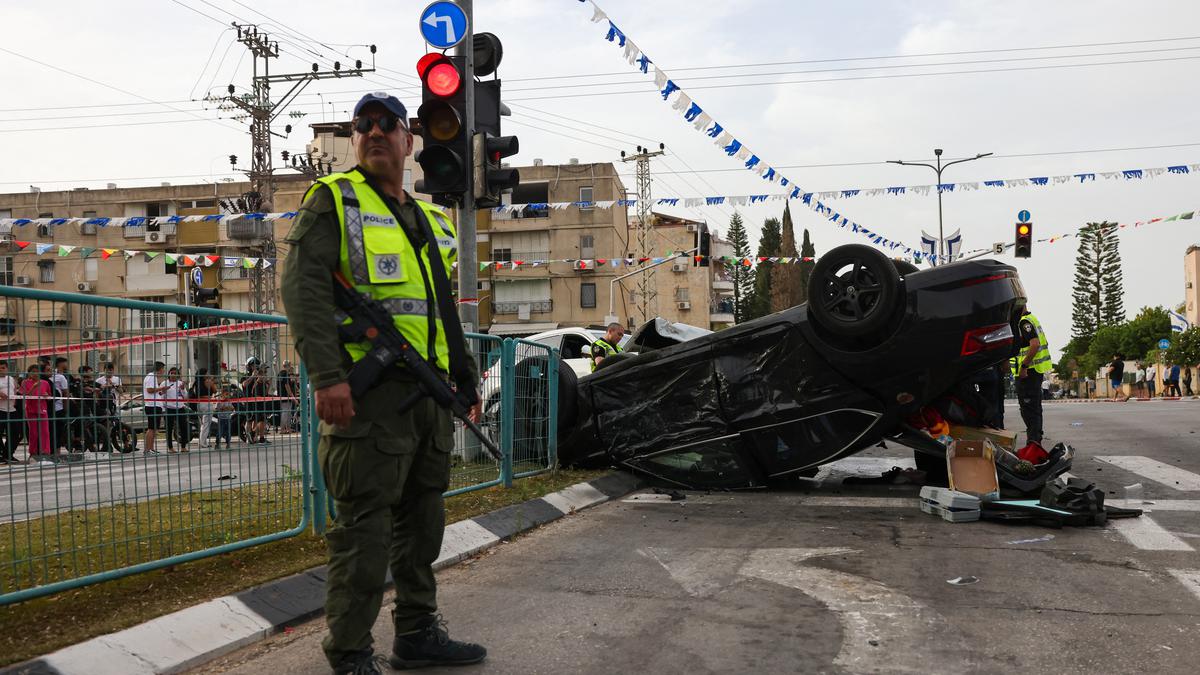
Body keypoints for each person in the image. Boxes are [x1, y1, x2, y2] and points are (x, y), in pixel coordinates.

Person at [281, 92, 487, 673]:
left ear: (409, 141)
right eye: (362, 125)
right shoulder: (333, 200)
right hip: (367, 399)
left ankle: (417, 635)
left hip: (427, 397)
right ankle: (349, 654)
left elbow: (442, 309)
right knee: (363, 534)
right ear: (353, 140)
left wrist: (465, 381)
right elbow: (304, 290)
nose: (374, 133)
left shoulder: (426, 218)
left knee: (423, 527)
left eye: (386, 125)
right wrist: (327, 377)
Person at [1011, 309, 1052, 454]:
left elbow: (1034, 344)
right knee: (1033, 409)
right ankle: (1034, 444)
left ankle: (1034, 445)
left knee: (1029, 410)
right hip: (1034, 372)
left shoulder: (1024, 322)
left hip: (1029, 373)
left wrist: (1024, 367)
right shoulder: (1032, 318)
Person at [21, 364, 52, 464]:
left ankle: (45, 452)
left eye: (37, 371)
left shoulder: (45, 383)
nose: (35, 373)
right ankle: (33, 452)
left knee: (45, 432)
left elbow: (49, 396)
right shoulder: (25, 382)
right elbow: (24, 396)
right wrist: (33, 388)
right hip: (30, 410)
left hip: (42, 409)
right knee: (33, 432)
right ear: (29, 373)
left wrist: (47, 396)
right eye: (32, 371)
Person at [240, 358, 269, 444]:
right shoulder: (245, 376)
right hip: (249, 401)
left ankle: (254, 436)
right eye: (253, 366)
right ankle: (248, 437)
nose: (255, 367)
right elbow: (244, 384)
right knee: (249, 419)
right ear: (249, 366)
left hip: (257, 402)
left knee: (256, 419)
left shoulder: (258, 376)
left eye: (256, 366)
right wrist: (252, 376)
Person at [142, 362, 168, 453]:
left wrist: (162, 391)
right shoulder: (151, 377)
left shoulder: (153, 377)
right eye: (163, 369)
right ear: (160, 369)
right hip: (152, 406)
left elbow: (154, 392)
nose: (164, 371)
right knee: (151, 428)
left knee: (154, 429)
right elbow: (149, 390)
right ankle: (147, 449)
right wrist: (161, 388)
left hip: (155, 405)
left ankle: (151, 448)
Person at [162, 367, 189, 452]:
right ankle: (170, 447)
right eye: (171, 373)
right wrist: (164, 391)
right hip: (169, 408)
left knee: (184, 427)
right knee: (169, 428)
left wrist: (183, 389)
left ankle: (183, 447)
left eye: (175, 373)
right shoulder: (164, 383)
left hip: (180, 408)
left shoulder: (180, 383)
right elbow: (160, 396)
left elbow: (186, 397)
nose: (173, 375)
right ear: (169, 374)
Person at [0, 362, 20, 464]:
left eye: (3, 368)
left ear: (7, 368)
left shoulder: (11, 379)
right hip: (0, 410)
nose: (1, 370)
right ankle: (2, 454)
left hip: (12, 409)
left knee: (15, 434)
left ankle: (8, 454)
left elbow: (15, 390)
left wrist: (15, 397)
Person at [50, 357, 71, 455]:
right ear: (61, 364)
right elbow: (65, 393)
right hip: (57, 408)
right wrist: (66, 408)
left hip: (53, 408)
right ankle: (56, 452)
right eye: (66, 363)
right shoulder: (60, 377)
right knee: (57, 431)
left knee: (54, 431)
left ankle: (55, 451)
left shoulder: (58, 376)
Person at [192, 369, 216, 448]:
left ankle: (203, 442)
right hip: (207, 403)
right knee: (206, 424)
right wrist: (212, 380)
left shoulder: (196, 383)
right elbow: (215, 390)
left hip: (199, 405)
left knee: (202, 424)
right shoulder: (208, 381)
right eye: (207, 373)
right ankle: (202, 442)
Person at [277, 362, 299, 433]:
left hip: (281, 395)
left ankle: (287, 428)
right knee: (286, 412)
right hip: (286, 396)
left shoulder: (280, 374)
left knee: (287, 412)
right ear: (288, 366)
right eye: (290, 365)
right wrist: (292, 396)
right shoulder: (285, 374)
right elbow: (287, 386)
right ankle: (283, 429)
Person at [215, 384, 235, 449]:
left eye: (228, 394)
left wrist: (228, 408)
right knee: (220, 432)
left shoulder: (229, 401)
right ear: (222, 394)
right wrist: (223, 408)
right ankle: (217, 444)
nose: (227, 396)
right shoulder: (219, 401)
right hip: (221, 419)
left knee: (228, 432)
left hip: (228, 418)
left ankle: (228, 444)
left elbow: (232, 409)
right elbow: (217, 409)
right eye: (226, 394)